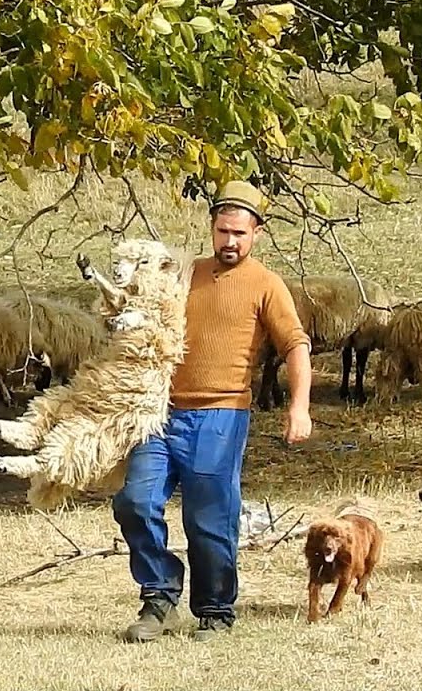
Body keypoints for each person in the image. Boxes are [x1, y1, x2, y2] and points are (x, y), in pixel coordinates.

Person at [112, 179, 313, 643]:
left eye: (240, 234)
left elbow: (296, 346)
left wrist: (298, 407)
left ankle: (215, 610)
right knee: (135, 501)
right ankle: (159, 598)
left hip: (221, 414)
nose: (230, 242)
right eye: (223, 231)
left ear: (257, 233)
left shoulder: (266, 284)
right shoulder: (184, 273)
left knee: (209, 517)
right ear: (212, 228)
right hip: (159, 411)